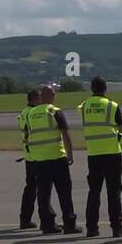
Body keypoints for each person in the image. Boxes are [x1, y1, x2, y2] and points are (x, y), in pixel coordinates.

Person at [24, 85, 80, 235]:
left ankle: (47, 225)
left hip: (39, 160)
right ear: (49, 96)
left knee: (43, 194)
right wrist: (70, 155)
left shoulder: (30, 114)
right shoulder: (54, 111)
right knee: (64, 192)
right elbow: (65, 134)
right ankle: (69, 223)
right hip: (56, 157)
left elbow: (27, 136)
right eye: (54, 94)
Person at [77, 76, 122, 237]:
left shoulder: (83, 106)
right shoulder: (112, 105)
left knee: (94, 191)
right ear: (105, 88)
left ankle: (92, 228)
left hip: (93, 153)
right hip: (112, 152)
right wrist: (119, 136)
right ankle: (116, 228)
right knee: (114, 192)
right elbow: (120, 123)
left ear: (91, 88)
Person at [16, 88, 47, 230]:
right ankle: (46, 219)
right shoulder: (32, 113)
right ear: (35, 99)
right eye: (40, 98)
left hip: (29, 155)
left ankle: (25, 218)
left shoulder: (23, 113)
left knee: (31, 188)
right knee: (41, 188)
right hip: (36, 155)